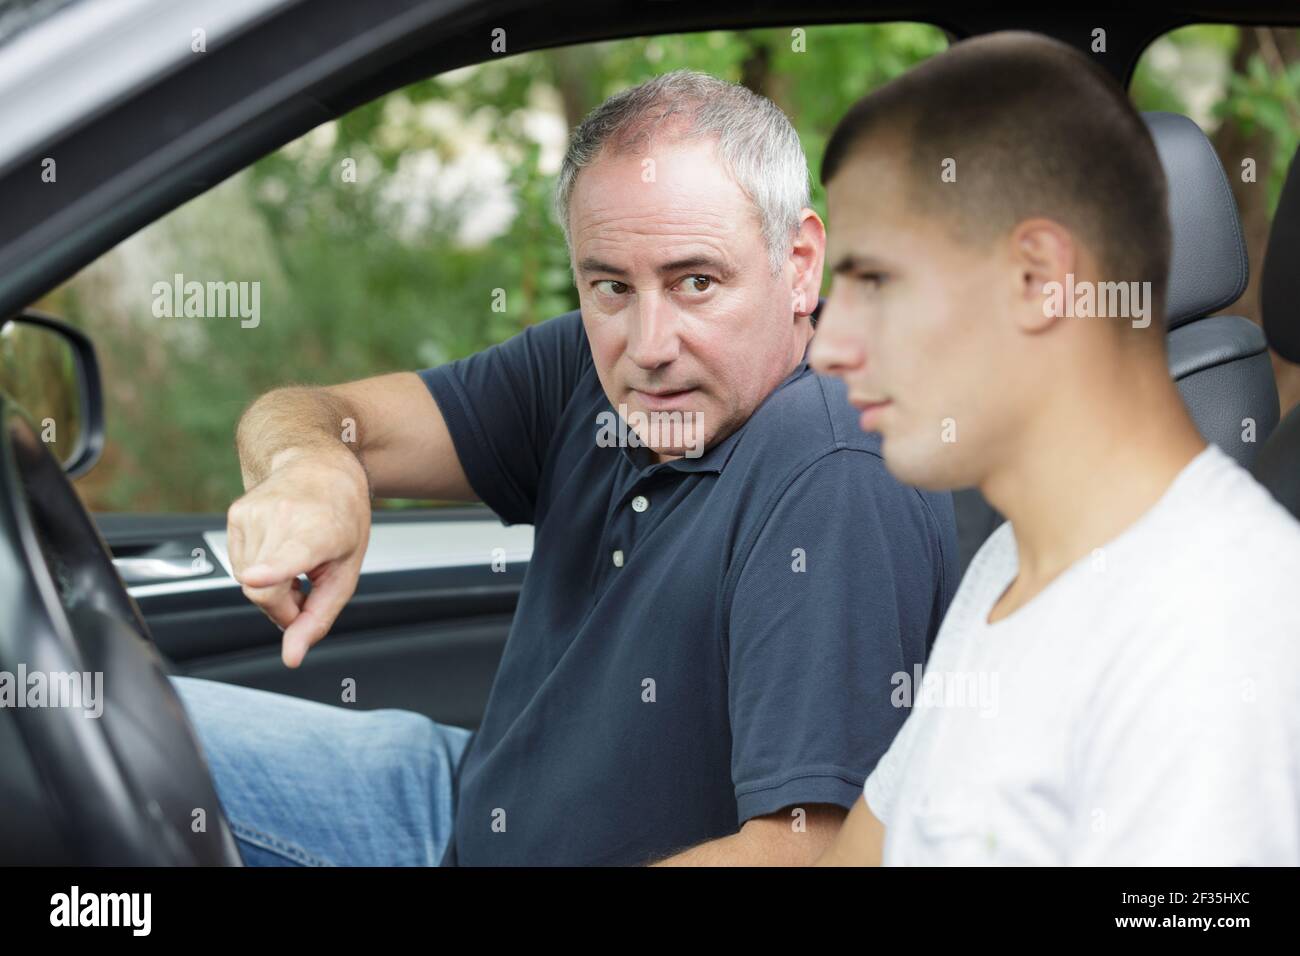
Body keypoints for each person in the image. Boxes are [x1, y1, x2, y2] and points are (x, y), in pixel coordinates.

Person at [172, 69, 958, 866]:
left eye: (696, 282)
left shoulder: (833, 467)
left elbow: (807, 855)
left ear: (799, 264)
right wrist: (316, 467)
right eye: (610, 284)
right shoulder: (590, 363)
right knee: (89, 726)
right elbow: (318, 415)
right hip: (453, 796)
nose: (649, 346)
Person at [809, 31, 1300, 865]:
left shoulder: (1216, 632)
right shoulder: (1012, 563)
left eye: (876, 282)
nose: (828, 348)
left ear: (1039, 279)